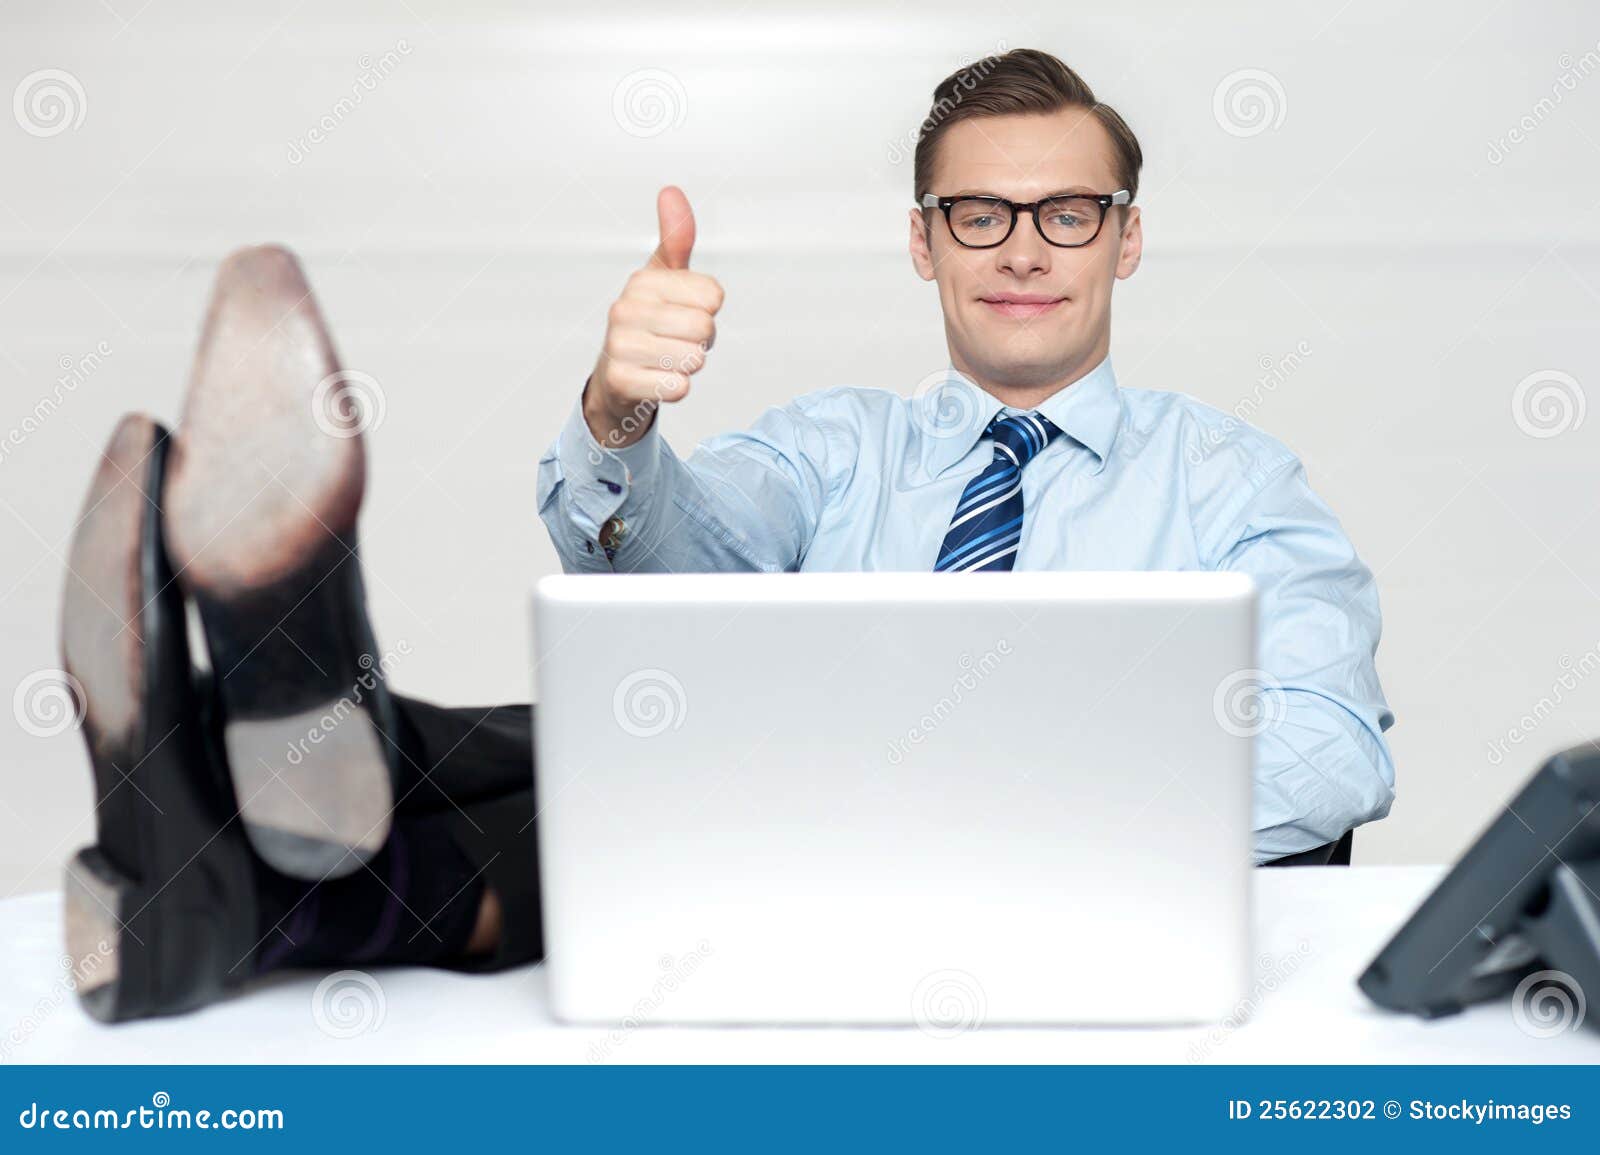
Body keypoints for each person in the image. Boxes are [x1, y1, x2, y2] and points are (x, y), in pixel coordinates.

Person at [60, 47, 1393, 1023]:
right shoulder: (832, 448)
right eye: (979, 214)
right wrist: (621, 414)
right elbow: (664, 569)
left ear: (1128, 240)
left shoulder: (1237, 484)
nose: (1025, 249)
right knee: (633, 751)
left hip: (1046, 903)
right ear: (925, 244)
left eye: (1070, 213)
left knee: (643, 769)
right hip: (767, 871)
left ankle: (264, 716)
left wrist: (974, 787)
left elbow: (1332, 754)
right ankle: (228, 894)